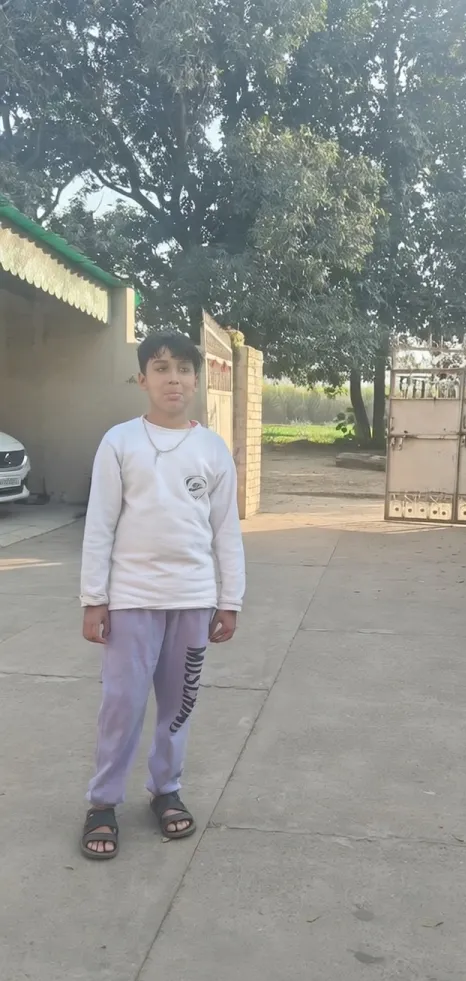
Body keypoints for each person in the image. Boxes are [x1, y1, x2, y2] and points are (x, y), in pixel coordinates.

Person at [79, 330, 245, 860]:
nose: (174, 378)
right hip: (131, 600)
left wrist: (230, 599)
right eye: (161, 367)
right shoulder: (120, 441)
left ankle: (165, 790)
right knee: (122, 704)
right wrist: (94, 598)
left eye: (184, 369)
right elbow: (100, 525)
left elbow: (226, 532)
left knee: (178, 706)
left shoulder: (212, 449)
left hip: (193, 601)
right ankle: (103, 802)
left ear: (199, 379)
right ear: (142, 378)